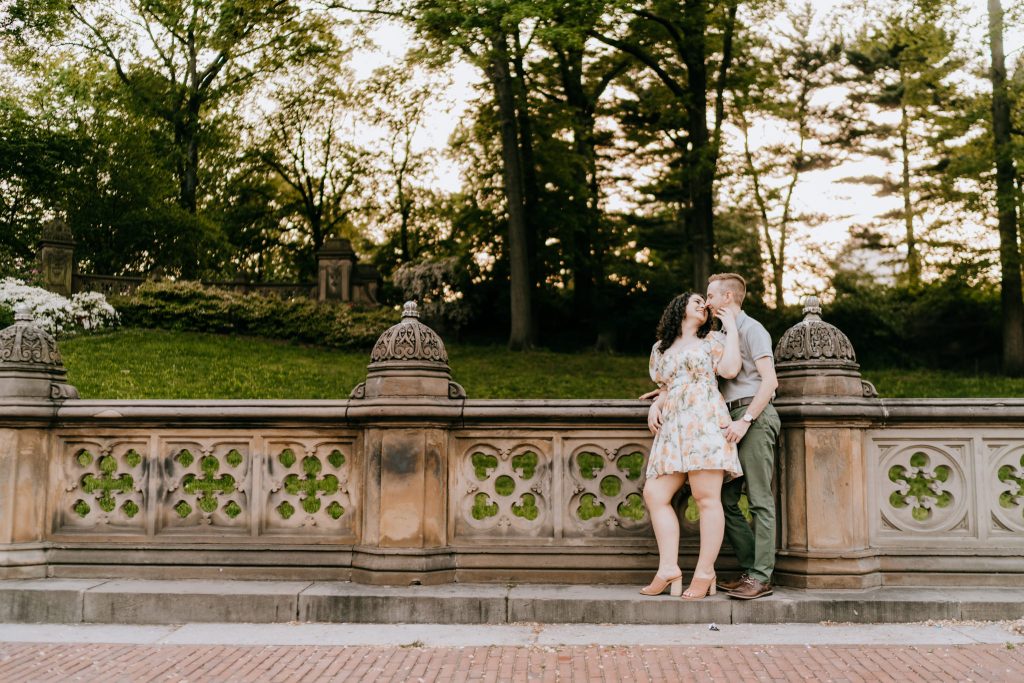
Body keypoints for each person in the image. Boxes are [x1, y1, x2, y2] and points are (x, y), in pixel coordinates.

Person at [641, 291, 742, 600]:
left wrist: (732, 328)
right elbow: (665, 385)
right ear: (679, 308)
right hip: (673, 427)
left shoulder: (712, 341)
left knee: (705, 497)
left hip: (704, 420)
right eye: (695, 300)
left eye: (704, 302)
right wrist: (655, 404)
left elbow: (729, 371)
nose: (702, 304)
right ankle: (668, 568)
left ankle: (705, 572)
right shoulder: (661, 349)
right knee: (655, 493)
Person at [703, 273, 781, 600]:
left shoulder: (753, 330)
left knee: (760, 500)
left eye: (710, 295)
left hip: (754, 416)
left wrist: (747, 420)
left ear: (728, 298)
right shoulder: (722, 336)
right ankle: (751, 568)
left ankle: (762, 577)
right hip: (729, 419)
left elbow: (770, 382)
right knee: (725, 498)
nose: (706, 302)